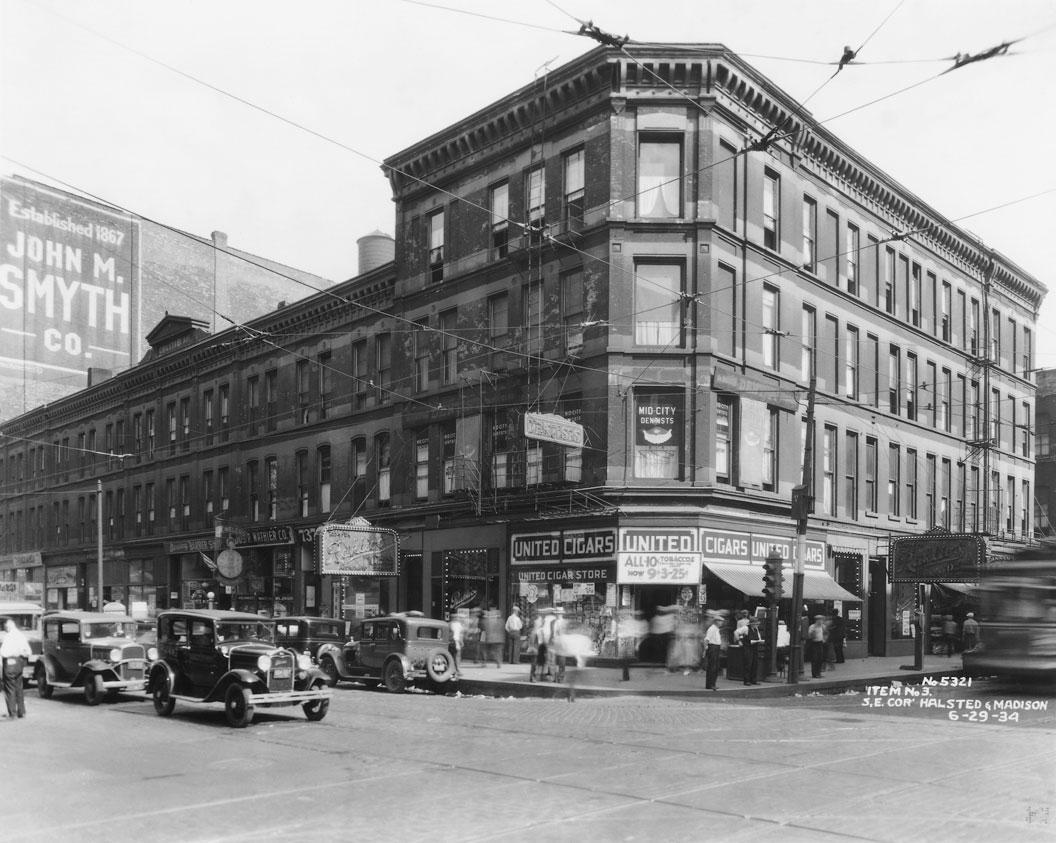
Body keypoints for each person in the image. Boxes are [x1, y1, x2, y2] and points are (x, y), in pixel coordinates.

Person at [1, 618, 31, 719]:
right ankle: (21, 712)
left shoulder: (8, 637)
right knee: (19, 687)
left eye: (5, 627)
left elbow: (4, 652)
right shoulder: (21, 635)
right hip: (19, 662)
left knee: (9, 688)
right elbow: (28, 651)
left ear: (8, 626)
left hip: (9, 662)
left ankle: (12, 713)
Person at [703, 615, 723, 690]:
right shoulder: (712, 629)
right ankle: (710, 684)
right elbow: (706, 639)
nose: (721, 623)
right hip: (713, 648)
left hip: (716, 647)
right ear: (716, 621)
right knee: (712, 667)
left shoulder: (716, 629)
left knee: (715, 666)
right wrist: (705, 649)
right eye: (720, 621)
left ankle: (712, 684)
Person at [529, 613, 549, 682]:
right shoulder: (534, 632)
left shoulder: (542, 630)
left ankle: (542, 676)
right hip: (536, 648)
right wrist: (532, 647)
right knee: (534, 663)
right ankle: (532, 677)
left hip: (541, 648)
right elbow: (532, 641)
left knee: (542, 662)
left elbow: (544, 639)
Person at [743, 616, 763, 685]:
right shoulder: (746, 628)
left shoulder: (756, 629)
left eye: (757, 624)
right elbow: (736, 632)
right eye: (756, 624)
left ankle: (753, 680)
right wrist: (739, 641)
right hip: (748, 648)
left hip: (755, 648)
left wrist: (760, 641)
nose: (757, 625)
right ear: (752, 623)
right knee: (748, 664)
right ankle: (746, 681)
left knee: (755, 664)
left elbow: (759, 638)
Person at [807, 614, 828, 678]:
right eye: (819, 620)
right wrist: (813, 632)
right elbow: (809, 635)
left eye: (821, 620)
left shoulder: (823, 626)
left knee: (820, 658)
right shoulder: (812, 627)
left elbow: (826, 633)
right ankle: (814, 673)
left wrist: (824, 639)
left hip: (820, 643)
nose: (821, 621)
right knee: (815, 659)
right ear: (816, 620)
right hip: (814, 643)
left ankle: (818, 672)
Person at [447, 612, 465, 678]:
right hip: (455, 642)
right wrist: (457, 644)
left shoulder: (449, 624)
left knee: (452, 656)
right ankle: (457, 671)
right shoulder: (456, 625)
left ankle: (452, 670)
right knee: (457, 656)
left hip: (451, 642)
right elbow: (456, 636)